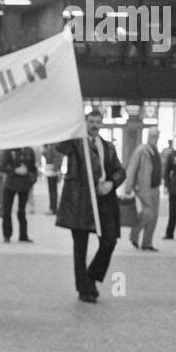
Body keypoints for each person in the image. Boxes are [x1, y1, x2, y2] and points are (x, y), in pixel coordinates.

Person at [55, 109, 126, 304]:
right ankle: (83, 289)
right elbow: (60, 147)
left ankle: (91, 277)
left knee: (109, 241)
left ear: (101, 123)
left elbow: (120, 170)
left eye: (97, 121)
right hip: (81, 202)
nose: (94, 125)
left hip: (104, 200)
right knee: (80, 247)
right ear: (85, 122)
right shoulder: (77, 143)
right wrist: (73, 128)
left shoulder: (108, 147)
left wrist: (111, 183)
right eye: (90, 121)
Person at [122, 128, 162, 251]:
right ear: (148, 136)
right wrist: (128, 187)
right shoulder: (141, 150)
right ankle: (134, 233)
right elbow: (132, 168)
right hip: (144, 187)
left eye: (156, 136)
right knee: (148, 213)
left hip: (155, 187)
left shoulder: (155, 151)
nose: (154, 138)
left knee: (154, 216)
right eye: (153, 136)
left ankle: (147, 243)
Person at [0, 145, 38, 242]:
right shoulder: (9, 149)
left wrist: (31, 180)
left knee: (22, 211)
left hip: (24, 185)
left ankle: (23, 235)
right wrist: (15, 170)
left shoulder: (29, 150)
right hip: (10, 184)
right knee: (7, 210)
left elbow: (33, 168)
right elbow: (2, 167)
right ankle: (7, 235)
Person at [42, 144, 64, 215]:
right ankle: (52, 208)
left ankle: (53, 208)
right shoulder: (50, 146)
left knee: (52, 191)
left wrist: (57, 169)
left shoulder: (53, 146)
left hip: (52, 171)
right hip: (51, 170)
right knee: (52, 190)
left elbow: (57, 158)